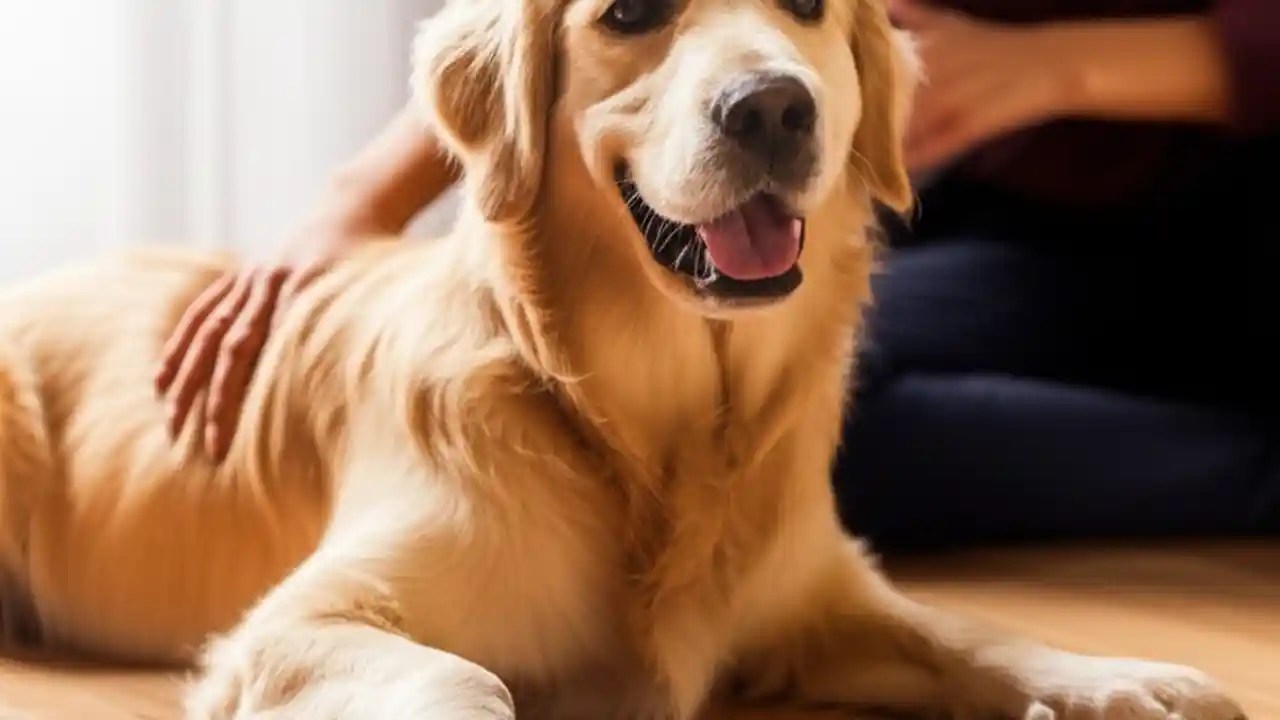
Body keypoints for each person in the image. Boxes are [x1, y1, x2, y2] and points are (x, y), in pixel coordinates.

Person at [156, 0, 1280, 552]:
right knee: (776, 419)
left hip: (1235, 203)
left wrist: (1061, 66)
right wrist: (359, 201)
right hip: (1006, 213)